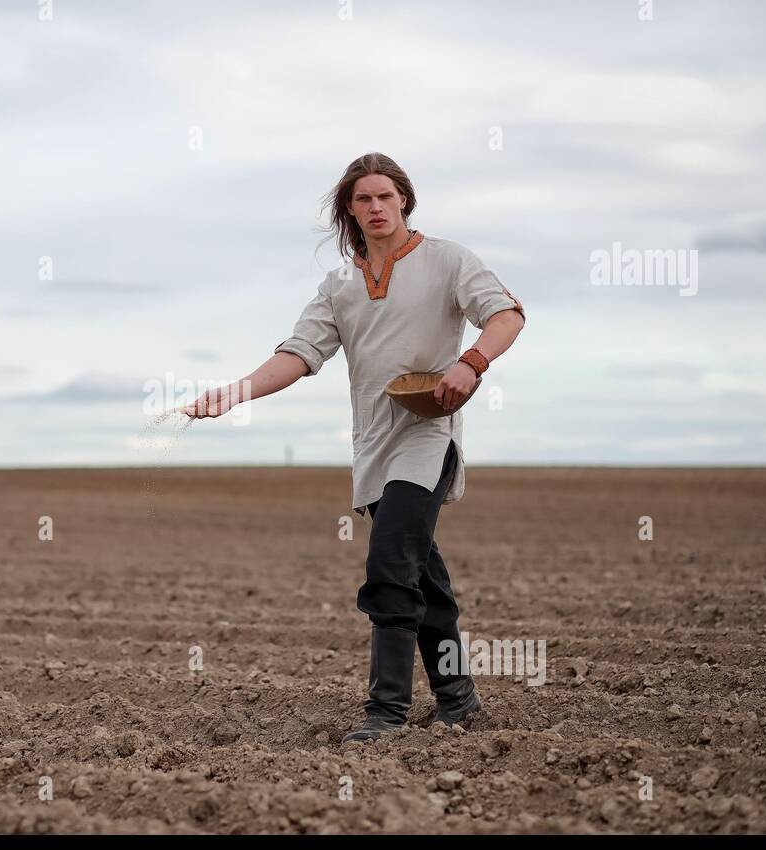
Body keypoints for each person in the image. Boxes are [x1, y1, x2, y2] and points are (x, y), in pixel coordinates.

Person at [183, 152, 525, 743]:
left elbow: (507, 315)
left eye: (385, 197)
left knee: (391, 569)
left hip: (428, 433)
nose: (375, 208)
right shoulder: (340, 284)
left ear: (404, 201)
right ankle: (459, 700)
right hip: (373, 446)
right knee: (424, 577)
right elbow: (299, 354)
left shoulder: (448, 260)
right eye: (363, 199)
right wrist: (235, 392)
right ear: (350, 209)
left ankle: (385, 714)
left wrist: (471, 363)